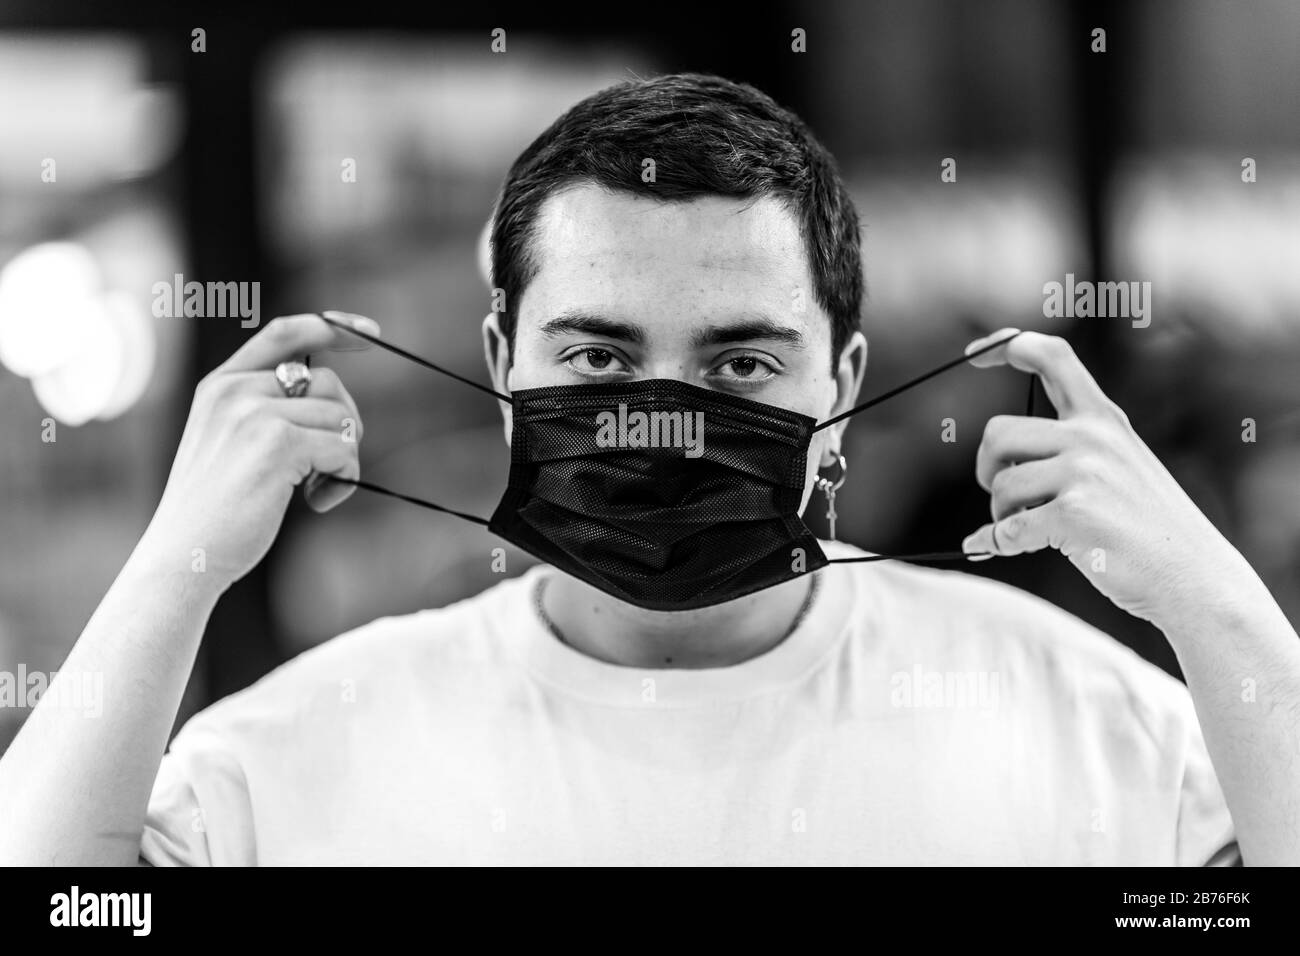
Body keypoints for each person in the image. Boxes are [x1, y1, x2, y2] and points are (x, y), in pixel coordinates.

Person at [2, 73, 1296, 866]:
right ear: (504, 361)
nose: (659, 420)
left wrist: (1216, 601)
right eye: (602, 358)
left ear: (840, 388)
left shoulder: (1090, 727)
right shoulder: (296, 755)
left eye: (737, 366)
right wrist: (175, 569)